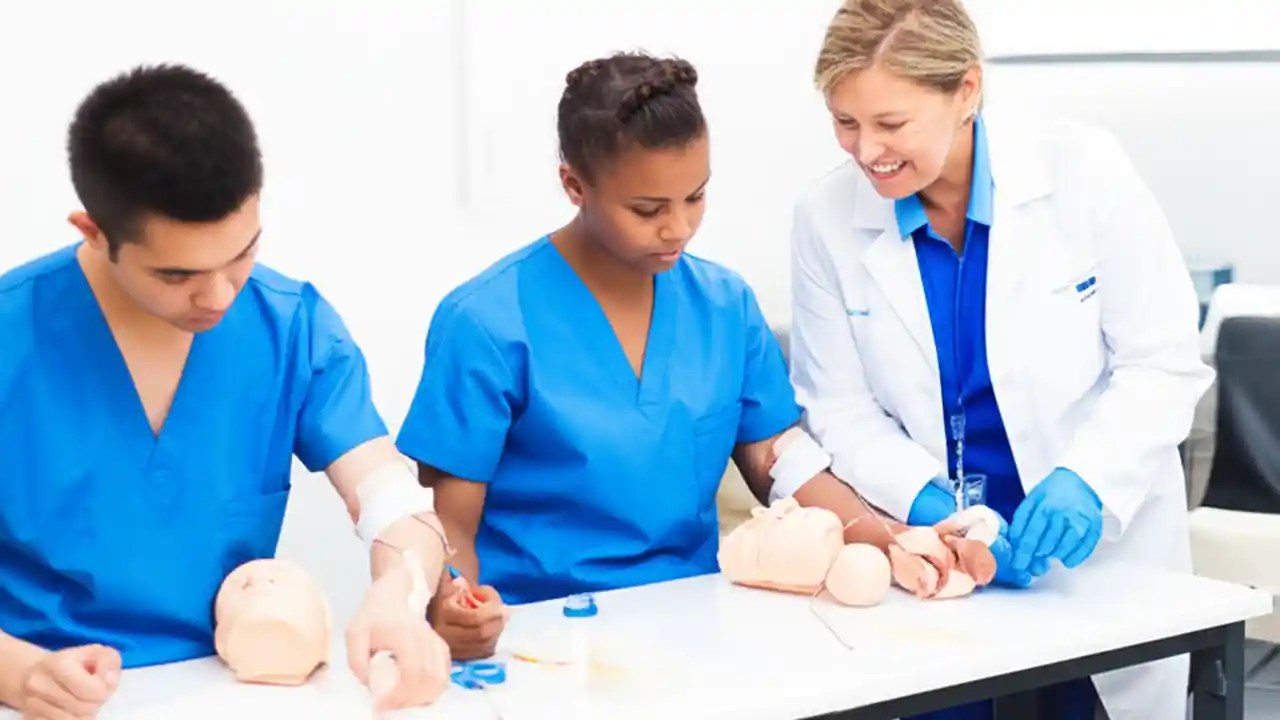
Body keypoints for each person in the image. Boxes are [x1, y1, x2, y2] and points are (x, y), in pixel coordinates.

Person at [397, 51, 916, 660]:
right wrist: (451, 602)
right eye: (647, 210)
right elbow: (449, 523)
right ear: (574, 185)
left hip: (695, 626)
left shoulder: (724, 307)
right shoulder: (485, 323)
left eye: (695, 197)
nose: (678, 229)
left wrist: (895, 541)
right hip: (539, 637)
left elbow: (778, 459)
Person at [787, 1, 1214, 719]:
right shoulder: (824, 216)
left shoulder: (1083, 170)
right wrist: (929, 505)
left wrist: (1088, 478)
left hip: (1098, 555)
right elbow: (839, 409)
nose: (866, 151)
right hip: (940, 560)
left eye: (891, 123)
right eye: (845, 122)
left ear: (967, 91)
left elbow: (1162, 361)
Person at [0, 65, 453, 717]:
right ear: (93, 230)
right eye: (177, 273)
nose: (218, 298)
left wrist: (400, 594)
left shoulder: (290, 327)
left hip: (226, 693)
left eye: (241, 254)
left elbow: (391, 498)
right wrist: (16, 672)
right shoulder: (15, 338)